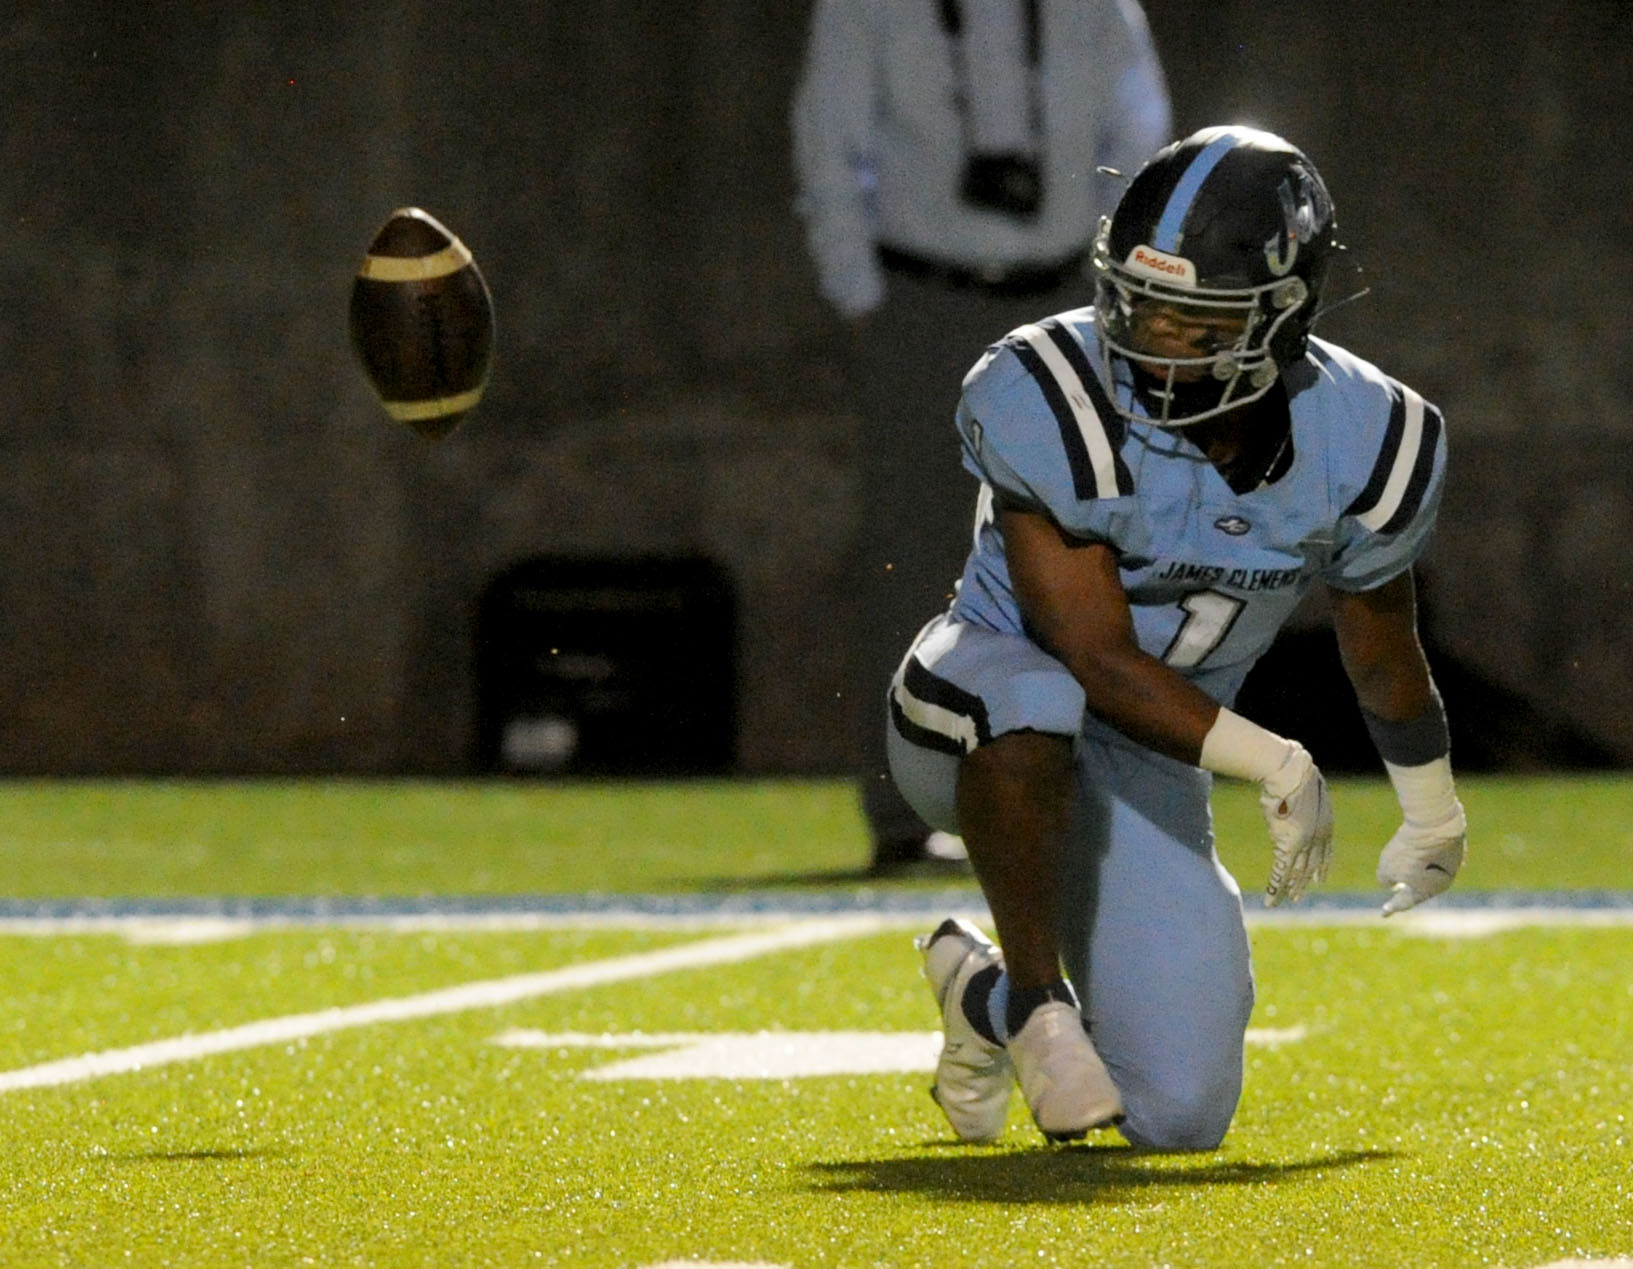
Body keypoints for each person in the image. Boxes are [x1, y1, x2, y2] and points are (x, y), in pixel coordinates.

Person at [888, 125, 1470, 1148]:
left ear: (1283, 314)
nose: (1152, 334)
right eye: (1137, 302)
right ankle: (1034, 1003)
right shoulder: (1045, 392)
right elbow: (1092, 658)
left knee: (1180, 1113)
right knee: (1035, 701)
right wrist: (1276, 759)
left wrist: (1430, 810)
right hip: (972, 711)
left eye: (1194, 318)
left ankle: (977, 995)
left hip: (1151, 765)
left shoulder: (1369, 438)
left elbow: (1381, 645)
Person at [791, 0, 1172, 871]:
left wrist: (1118, 296)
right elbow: (828, 134)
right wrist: (856, 290)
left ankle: (1090, 800)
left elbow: (1140, 135)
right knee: (911, 554)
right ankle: (903, 811)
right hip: (923, 293)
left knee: (1091, 546)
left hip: (1067, 292)